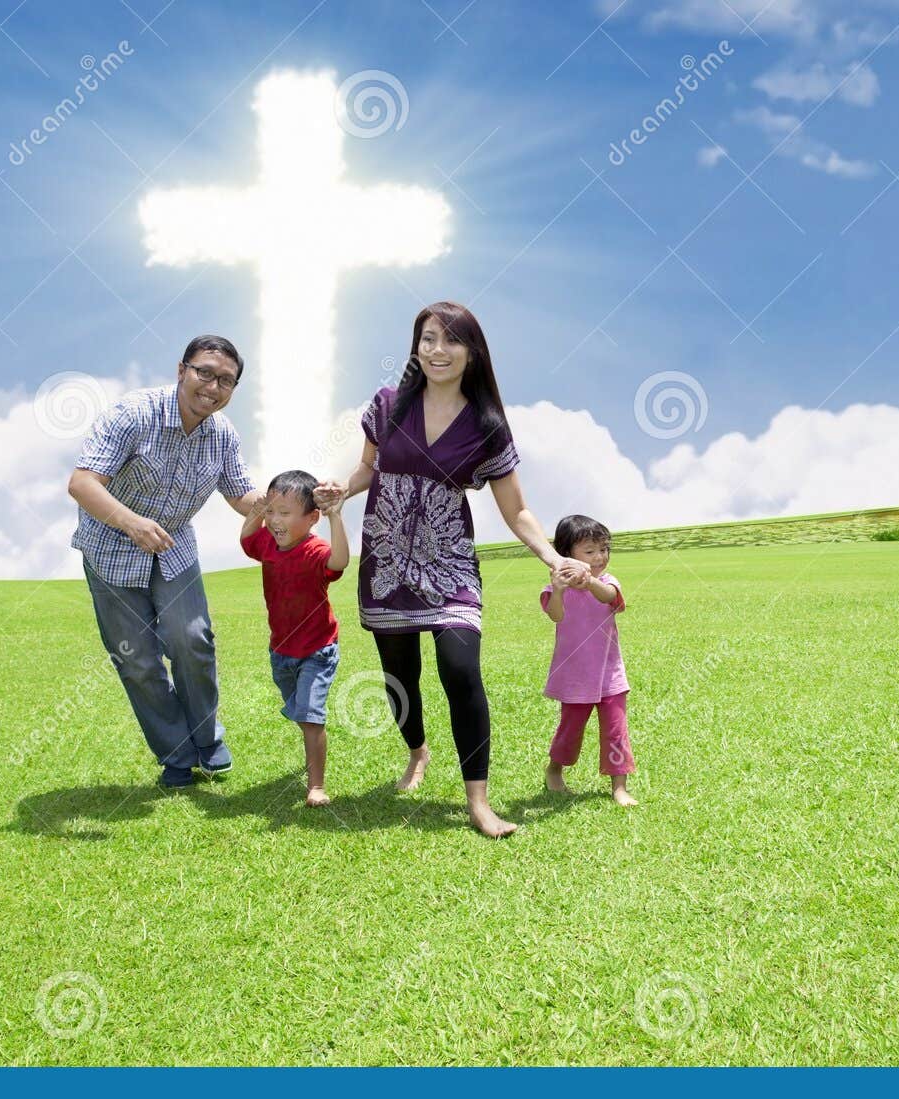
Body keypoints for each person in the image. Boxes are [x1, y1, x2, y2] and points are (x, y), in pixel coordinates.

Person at [315, 302, 588, 838]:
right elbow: (368, 468)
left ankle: (478, 803)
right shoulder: (388, 404)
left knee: (460, 669)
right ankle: (418, 750)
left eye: (451, 340)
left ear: (471, 352)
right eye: (428, 338)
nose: (438, 350)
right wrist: (340, 490)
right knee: (402, 678)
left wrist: (554, 557)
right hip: (386, 557)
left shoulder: (486, 425)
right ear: (416, 347)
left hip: (449, 563)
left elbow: (517, 510)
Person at [67, 335, 264, 788]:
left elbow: (240, 495)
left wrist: (290, 502)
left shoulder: (222, 434)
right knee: (137, 660)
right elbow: (82, 483)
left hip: (174, 546)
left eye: (227, 381)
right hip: (110, 548)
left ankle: (208, 741)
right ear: (182, 370)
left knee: (193, 638)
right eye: (205, 373)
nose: (213, 387)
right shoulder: (133, 414)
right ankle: (176, 754)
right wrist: (131, 523)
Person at [239, 470, 349, 807]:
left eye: (285, 513)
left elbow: (340, 561)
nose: (275, 521)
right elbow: (246, 541)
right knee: (299, 710)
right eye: (271, 511)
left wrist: (336, 517)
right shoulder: (268, 543)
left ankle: (316, 785)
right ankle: (306, 727)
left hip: (318, 650)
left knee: (310, 716)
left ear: (311, 517)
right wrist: (255, 513)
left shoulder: (316, 551)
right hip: (281, 651)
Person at [540, 515, 637, 806]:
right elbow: (556, 615)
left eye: (604, 549)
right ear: (567, 555)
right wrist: (559, 589)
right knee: (570, 730)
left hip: (610, 676)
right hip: (574, 676)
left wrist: (590, 581)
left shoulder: (607, 582)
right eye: (590, 551)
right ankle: (555, 770)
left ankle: (619, 787)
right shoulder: (556, 589)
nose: (600, 557)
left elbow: (612, 599)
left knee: (616, 732)